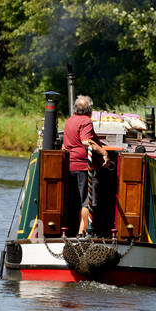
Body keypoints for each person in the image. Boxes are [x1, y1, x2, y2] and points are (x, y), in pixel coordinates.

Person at [62, 94, 111, 237]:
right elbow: (85, 141)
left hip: (70, 165)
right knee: (87, 202)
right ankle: (82, 233)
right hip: (84, 166)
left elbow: (66, 144)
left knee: (79, 200)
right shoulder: (86, 121)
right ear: (90, 109)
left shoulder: (69, 121)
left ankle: (78, 231)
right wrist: (104, 153)